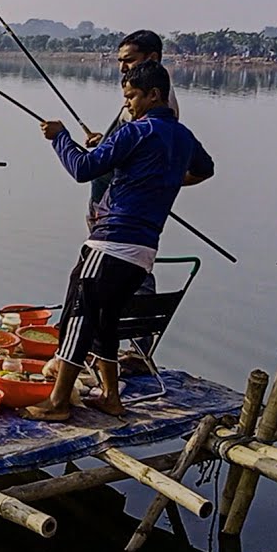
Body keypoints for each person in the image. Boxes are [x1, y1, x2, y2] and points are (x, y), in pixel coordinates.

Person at [24, 61, 213, 422]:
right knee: (106, 318)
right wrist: (162, 182)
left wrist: (60, 137)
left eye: (131, 97)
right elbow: (206, 169)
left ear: (154, 95)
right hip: (143, 251)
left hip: (111, 242)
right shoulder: (184, 136)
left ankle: (58, 401)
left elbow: (81, 169)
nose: (127, 105)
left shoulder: (136, 132)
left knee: (80, 314)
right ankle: (111, 396)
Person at [85, 30, 181, 360]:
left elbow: (154, 154)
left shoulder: (158, 104)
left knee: (130, 276)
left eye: (129, 60)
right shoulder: (138, 99)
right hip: (109, 207)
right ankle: (111, 349)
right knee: (109, 280)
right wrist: (105, 141)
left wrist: (63, 141)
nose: (122, 68)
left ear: (152, 59)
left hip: (124, 215)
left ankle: (138, 351)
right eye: (120, 62)